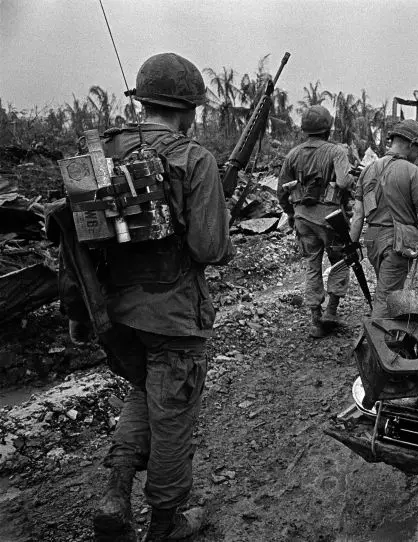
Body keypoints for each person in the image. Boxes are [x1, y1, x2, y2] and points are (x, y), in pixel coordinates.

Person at [86, 53, 234, 541]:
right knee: (173, 416)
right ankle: (166, 524)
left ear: (144, 99)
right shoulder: (194, 158)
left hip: (119, 313)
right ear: (188, 108)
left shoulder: (105, 154)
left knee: (144, 392)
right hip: (174, 315)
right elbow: (208, 249)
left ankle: (114, 488)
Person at [278, 105, 354, 338]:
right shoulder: (337, 151)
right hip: (331, 218)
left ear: (305, 129)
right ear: (328, 129)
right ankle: (331, 311)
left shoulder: (293, 154)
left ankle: (315, 319)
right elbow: (343, 182)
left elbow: (282, 190)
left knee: (312, 265)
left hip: (302, 217)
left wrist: (290, 212)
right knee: (340, 261)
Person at [349, 119, 418, 317]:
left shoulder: (368, 170)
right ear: (411, 144)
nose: (417, 156)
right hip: (397, 242)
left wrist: (352, 245)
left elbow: (358, 214)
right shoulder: (413, 172)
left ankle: (390, 332)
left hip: (372, 241)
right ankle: (379, 342)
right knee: (386, 297)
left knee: (386, 286)